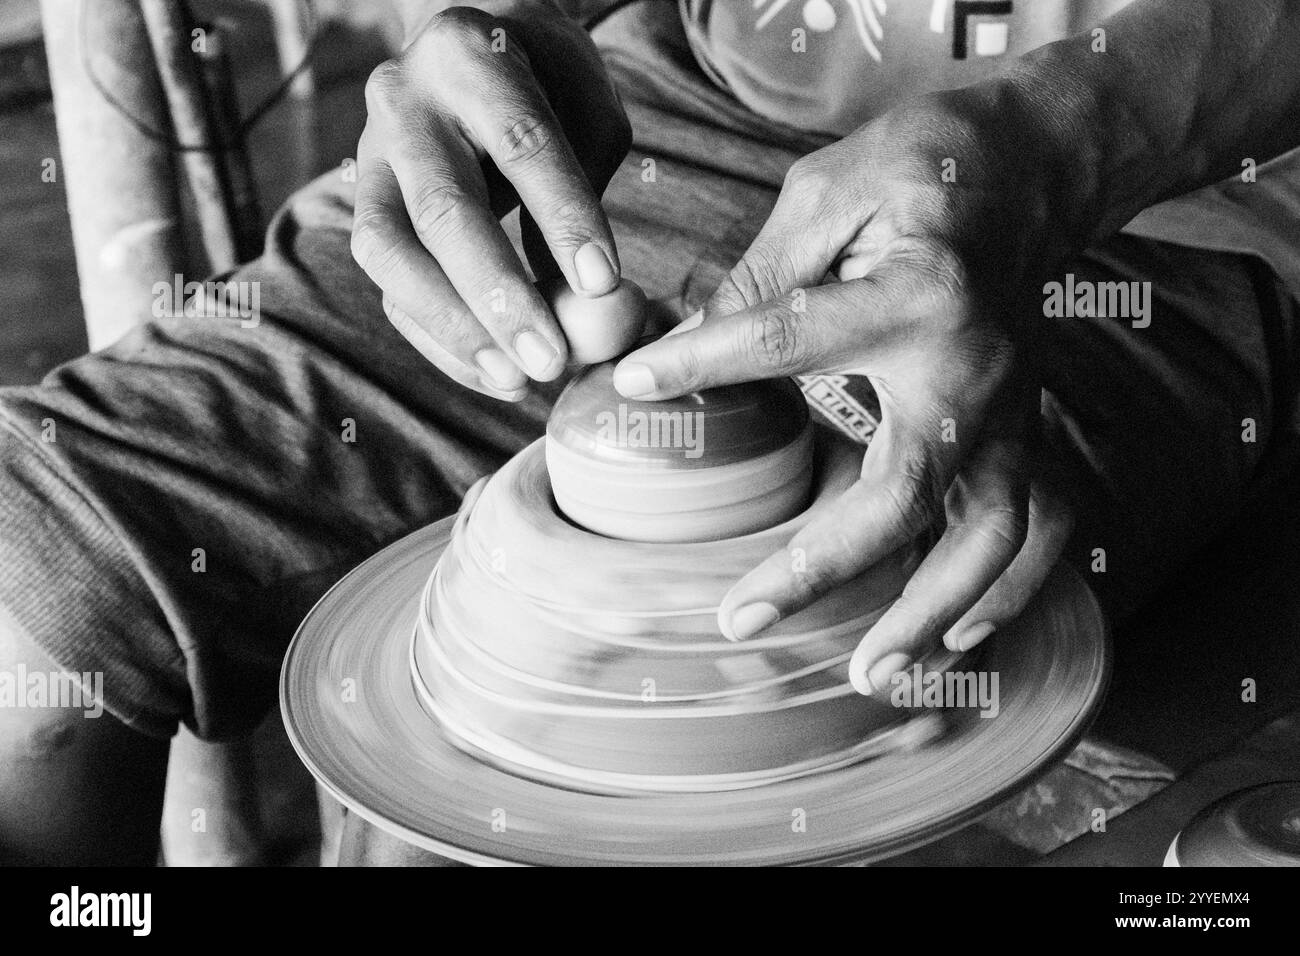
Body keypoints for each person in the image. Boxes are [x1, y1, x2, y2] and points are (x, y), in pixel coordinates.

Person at [2, 0, 1298, 864]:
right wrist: (508, 37)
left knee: (681, 747)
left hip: (1154, 195)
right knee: (27, 608)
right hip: (674, 122)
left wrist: (1057, 145)